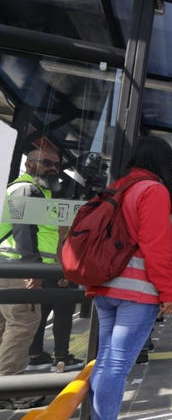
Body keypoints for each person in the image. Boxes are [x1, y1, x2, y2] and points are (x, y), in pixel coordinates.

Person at [86, 136, 172, 420]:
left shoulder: (119, 188)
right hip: (136, 293)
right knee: (115, 366)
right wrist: (169, 294)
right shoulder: (154, 190)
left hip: (106, 288)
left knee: (105, 363)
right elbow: (157, 247)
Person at [0, 146, 62, 408]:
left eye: (55, 165)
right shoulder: (26, 189)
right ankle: (10, 389)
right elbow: (24, 231)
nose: (52, 169)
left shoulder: (33, 191)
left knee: (6, 326)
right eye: (46, 163)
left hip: (10, 267)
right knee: (23, 323)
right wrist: (33, 269)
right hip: (18, 269)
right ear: (29, 165)